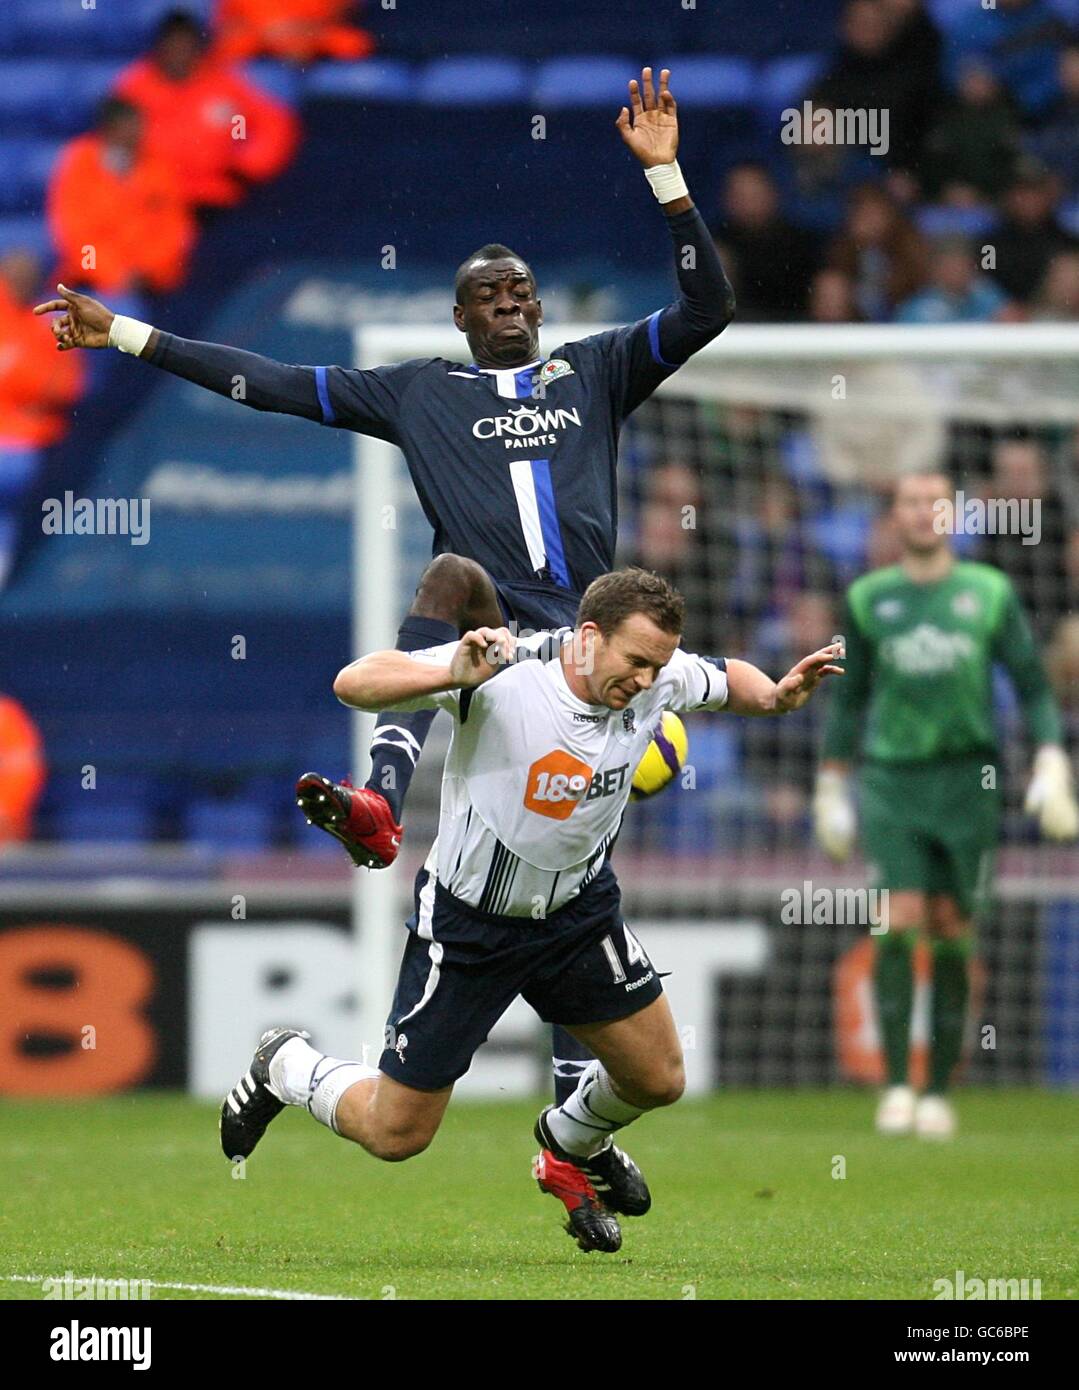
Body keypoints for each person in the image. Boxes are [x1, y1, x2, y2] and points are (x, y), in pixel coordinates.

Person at [36, 67, 736, 1241]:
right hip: (494, 659)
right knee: (453, 579)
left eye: (521, 290)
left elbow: (709, 308)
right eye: (487, 294)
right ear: (458, 318)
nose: (510, 301)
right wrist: (130, 331)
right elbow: (265, 385)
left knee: (599, 826)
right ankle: (377, 803)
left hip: (592, 661)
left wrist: (664, 178)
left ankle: (571, 1133)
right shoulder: (418, 392)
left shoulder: (596, 371)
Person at [223, 568, 843, 1250]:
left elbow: (728, 680)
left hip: (576, 916)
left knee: (658, 1077)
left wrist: (781, 695)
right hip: (470, 928)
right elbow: (354, 682)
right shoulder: (507, 673)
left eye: (657, 665)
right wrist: (450, 671)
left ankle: (565, 1143)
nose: (645, 680)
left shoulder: (660, 679)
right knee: (396, 1135)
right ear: (585, 638)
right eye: (634, 662)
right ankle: (285, 1065)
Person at [813, 472, 1078, 1139]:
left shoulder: (986, 592)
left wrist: (1049, 755)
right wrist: (831, 784)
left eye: (935, 503)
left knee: (953, 924)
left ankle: (936, 1088)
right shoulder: (871, 597)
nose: (923, 513)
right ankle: (897, 1085)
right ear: (894, 515)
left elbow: (1029, 681)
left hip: (969, 779)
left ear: (951, 514)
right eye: (909, 502)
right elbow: (850, 697)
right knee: (898, 915)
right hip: (893, 777)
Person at [112, 9, 299, 213]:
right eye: (172, 46)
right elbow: (112, 144)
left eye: (186, 46)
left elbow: (274, 125)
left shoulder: (223, 84)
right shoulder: (134, 87)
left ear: (199, 48)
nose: (179, 54)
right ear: (158, 49)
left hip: (215, 197)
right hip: (154, 200)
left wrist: (249, 165)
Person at [47, 98, 196, 297]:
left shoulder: (159, 167)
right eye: (127, 127)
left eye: (139, 126)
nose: (136, 134)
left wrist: (148, 269)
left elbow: (176, 228)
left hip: (155, 285)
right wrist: (115, 274)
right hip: (91, 282)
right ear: (108, 130)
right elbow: (74, 233)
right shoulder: (80, 164)